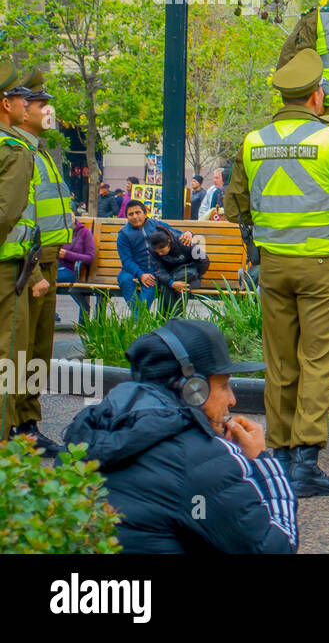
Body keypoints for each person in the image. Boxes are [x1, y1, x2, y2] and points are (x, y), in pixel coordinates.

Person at [227, 50, 329, 497]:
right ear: (317, 96)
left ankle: (277, 453)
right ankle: (305, 465)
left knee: (280, 362)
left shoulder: (252, 141)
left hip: (272, 267)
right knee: (317, 363)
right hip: (319, 268)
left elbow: (235, 205)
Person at [63, 318, 297, 553]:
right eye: (224, 386)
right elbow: (275, 548)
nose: (232, 400)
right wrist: (262, 462)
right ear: (194, 390)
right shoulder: (197, 460)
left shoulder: (88, 431)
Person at [8, 70, 74, 452]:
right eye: (40, 104)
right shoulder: (17, 152)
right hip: (27, 266)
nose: (48, 111)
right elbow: (16, 216)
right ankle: (15, 426)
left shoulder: (38, 149)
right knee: (19, 352)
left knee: (37, 352)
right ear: (19, 108)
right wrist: (33, 270)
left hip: (46, 261)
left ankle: (29, 422)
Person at [0, 61, 45, 446]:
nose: (26, 103)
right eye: (21, 97)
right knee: (9, 357)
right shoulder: (15, 150)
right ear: (6, 103)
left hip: (20, 264)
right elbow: (8, 212)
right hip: (7, 267)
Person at [116, 201, 192, 312]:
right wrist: (140, 275)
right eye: (130, 214)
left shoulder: (157, 226)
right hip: (131, 271)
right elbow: (126, 260)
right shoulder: (123, 234)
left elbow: (177, 234)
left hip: (154, 270)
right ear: (126, 216)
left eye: (138, 212)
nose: (135, 217)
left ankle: (137, 319)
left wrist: (188, 233)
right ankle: (138, 317)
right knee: (125, 280)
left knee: (150, 285)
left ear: (145, 213)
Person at [150, 229, 210, 315]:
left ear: (169, 242)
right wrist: (171, 283)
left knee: (179, 284)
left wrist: (196, 275)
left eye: (162, 251)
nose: (159, 254)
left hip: (189, 274)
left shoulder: (184, 243)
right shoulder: (152, 249)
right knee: (168, 285)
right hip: (169, 277)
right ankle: (176, 319)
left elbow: (204, 260)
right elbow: (158, 269)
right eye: (157, 252)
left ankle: (165, 319)